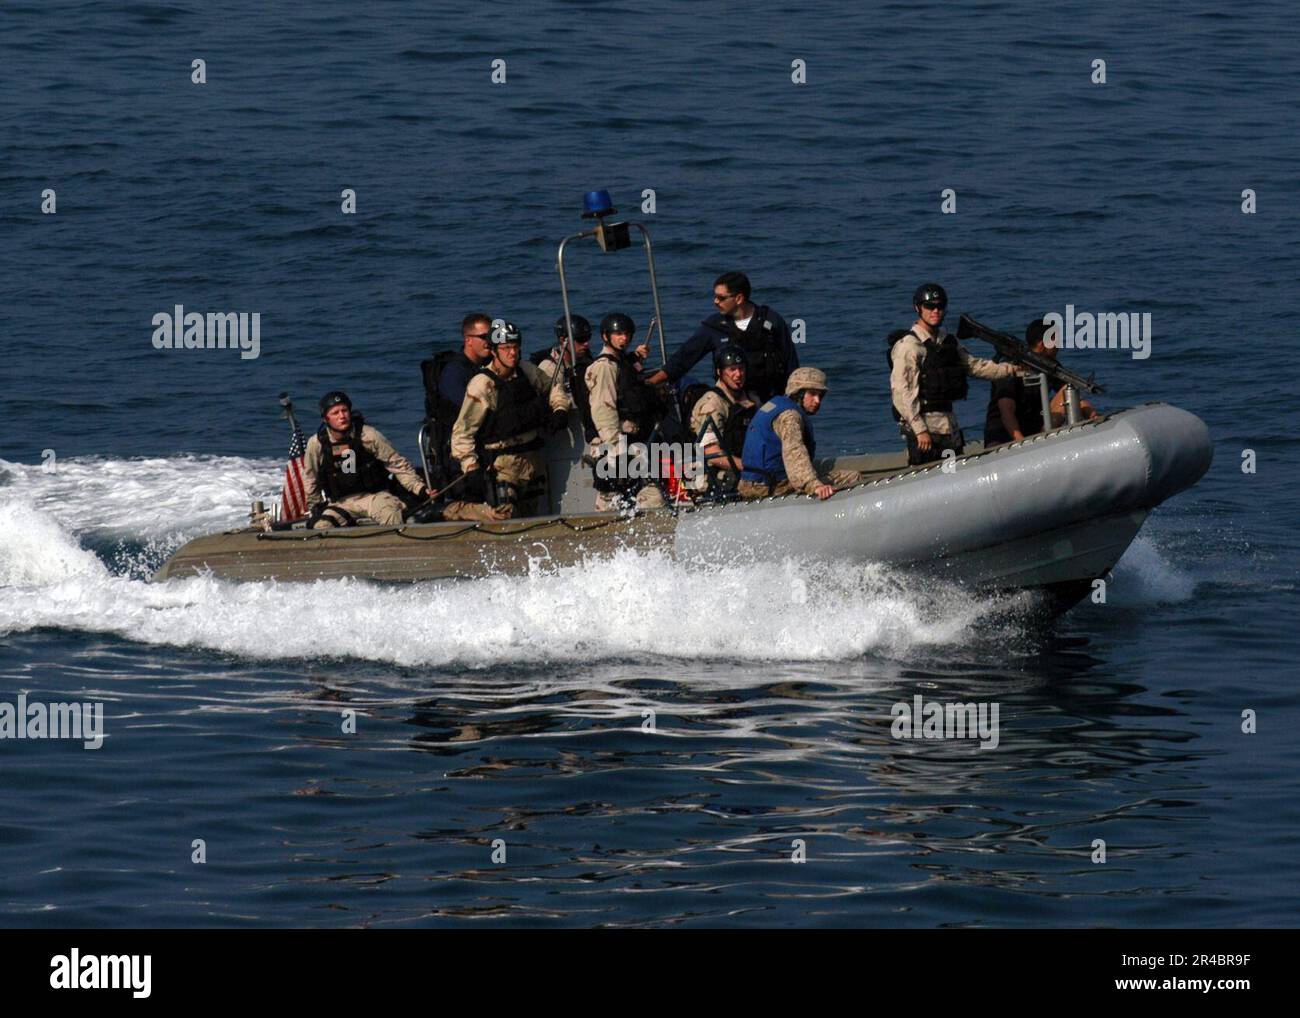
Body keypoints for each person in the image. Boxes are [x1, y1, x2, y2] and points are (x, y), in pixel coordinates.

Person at [888, 282, 1022, 465]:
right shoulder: (909, 346)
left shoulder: (948, 342)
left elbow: (974, 366)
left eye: (940, 306)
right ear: (918, 308)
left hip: (949, 427)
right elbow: (902, 392)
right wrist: (920, 430)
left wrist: (1011, 369)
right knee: (928, 478)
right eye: (930, 306)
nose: (935, 311)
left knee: (951, 474)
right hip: (925, 430)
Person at [450, 321, 572, 519]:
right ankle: (455, 511)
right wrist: (470, 467)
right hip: (503, 462)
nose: (512, 353)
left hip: (531, 457)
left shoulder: (526, 371)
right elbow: (462, 433)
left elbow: (553, 387)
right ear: (494, 351)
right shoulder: (483, 385)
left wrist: (560, 409)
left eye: (515, 347)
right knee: (503, 516)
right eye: (506, 348)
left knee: (531, 515)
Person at [644, 271, 798, 403]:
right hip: (731, 400)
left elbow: (791, 362)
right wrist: (651, 382)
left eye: (721, 298)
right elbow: (684, 357)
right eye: (715, 296)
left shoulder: (771, 321)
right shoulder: (714, 327)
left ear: (738, 298)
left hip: (770, 399)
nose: (715, 301)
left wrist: (793, 400)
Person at [303, 391, 431, 528]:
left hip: (375, 497)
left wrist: (420, 489)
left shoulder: (368, 435)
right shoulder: (317, 443)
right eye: (335, 413)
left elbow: (398, 465)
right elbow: (311, 478)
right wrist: (314, 507)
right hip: (340, 503)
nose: (342, 416)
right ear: (325, 419)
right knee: (321, 526)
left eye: (344, 410)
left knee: (390, 516)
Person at [584, 312, 667, 511]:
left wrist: (636, 356)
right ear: (606, 336)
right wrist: (615, 448)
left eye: (627, 334)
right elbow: (603, 409)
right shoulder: (604, 367)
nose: (624, 338)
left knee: (643, 493)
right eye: (618, 334)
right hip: (615, 444)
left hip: (633, 442)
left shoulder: (621, 362)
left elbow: (627, 378)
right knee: (611, 501)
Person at [738, 368, 861, 500]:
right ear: (798, 393)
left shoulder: (774, 405)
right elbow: (794, 451)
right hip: (772, 487)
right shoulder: (790, 417)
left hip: (750, 483)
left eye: (820, 396)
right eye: (812, 394)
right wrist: (813, 485)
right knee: (852, 477)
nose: (817, 401)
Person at [688, 344, 759, 490]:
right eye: (732, 369)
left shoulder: (751, 398)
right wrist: (747, 466)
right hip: (714, 473)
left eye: (741, 368)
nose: (738, 374)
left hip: (746, 464)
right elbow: (711, 452)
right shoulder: (712, 404)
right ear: (720, 372)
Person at [534, 314, 597, 439]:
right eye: (581, 339)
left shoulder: (584, 360)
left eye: (588, 338)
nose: (586, 344)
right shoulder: (550, 368)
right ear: (563, 340)